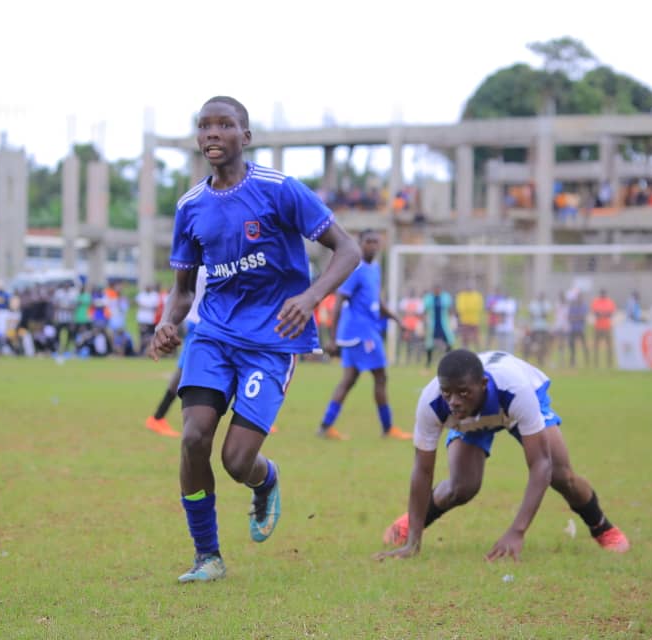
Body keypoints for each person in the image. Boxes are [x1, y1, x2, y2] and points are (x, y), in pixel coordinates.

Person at [148, 96, 360, 583]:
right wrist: (168, 322)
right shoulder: (190, 207)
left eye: (225, 125)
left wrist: (309, 299)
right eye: (205, 126)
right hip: (214, 335)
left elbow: (347, 250)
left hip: (272, 340)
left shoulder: (280, 190)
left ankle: (266, 480)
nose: (213, 133)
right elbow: (182, 290)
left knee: (236, 460)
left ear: (246, 136)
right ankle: (208, 556)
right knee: (194, 436)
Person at [376, 349, 630, 562]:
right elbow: (422, 470)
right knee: (460, 487)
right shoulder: (432, 402)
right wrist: (413, 543)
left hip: (516, 405)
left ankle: (603, 527)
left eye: (462, 392)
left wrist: (517, 531)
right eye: (448, 393)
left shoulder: (515, 390)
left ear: (483, 384)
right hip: (471, 419)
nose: (453, 401)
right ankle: (412, 524)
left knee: (561, 475)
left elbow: (541, 465)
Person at [317, 229, 411, 441]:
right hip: (361, 333)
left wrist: (396, 320)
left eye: (376, 242)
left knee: (349, 380)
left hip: (362, 331)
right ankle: (388, 428)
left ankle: (325, 426)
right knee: (381, 376)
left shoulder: (374, 268)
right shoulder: (356, 269)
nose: (372, 246)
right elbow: (339, 302)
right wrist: (332, 338)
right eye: (368, 242)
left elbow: (377, 301)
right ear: (359, 243)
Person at [145, 266, 208, 438]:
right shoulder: (204, 267)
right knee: (182, 373)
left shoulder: (204, 265)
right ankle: (158, 417)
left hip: (200, 323)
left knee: (184, 372)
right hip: (200, 324)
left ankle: (249, 417)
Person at [422, 285, 454, 368]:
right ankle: (428, 362)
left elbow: (450, 309)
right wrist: (424, 322)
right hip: (432, 324)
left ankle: (450, 361)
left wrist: (452, 320)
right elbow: (425, 311)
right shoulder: (429, 298)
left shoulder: (445, 297)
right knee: (429, 344)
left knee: (448, 342)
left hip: (443, 323)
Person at [590, 289, 616, 367]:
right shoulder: (596, 301)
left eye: (604, 293)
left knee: (609, 346)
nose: (603, 295)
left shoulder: (610, 302)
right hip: (598, 327)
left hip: (607, 327)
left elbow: (610, 313)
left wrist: (602, 314)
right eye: (602, 293)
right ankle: (595, 363)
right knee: (596, 346)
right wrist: (604, 314)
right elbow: (595, 313)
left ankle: (609, 363)